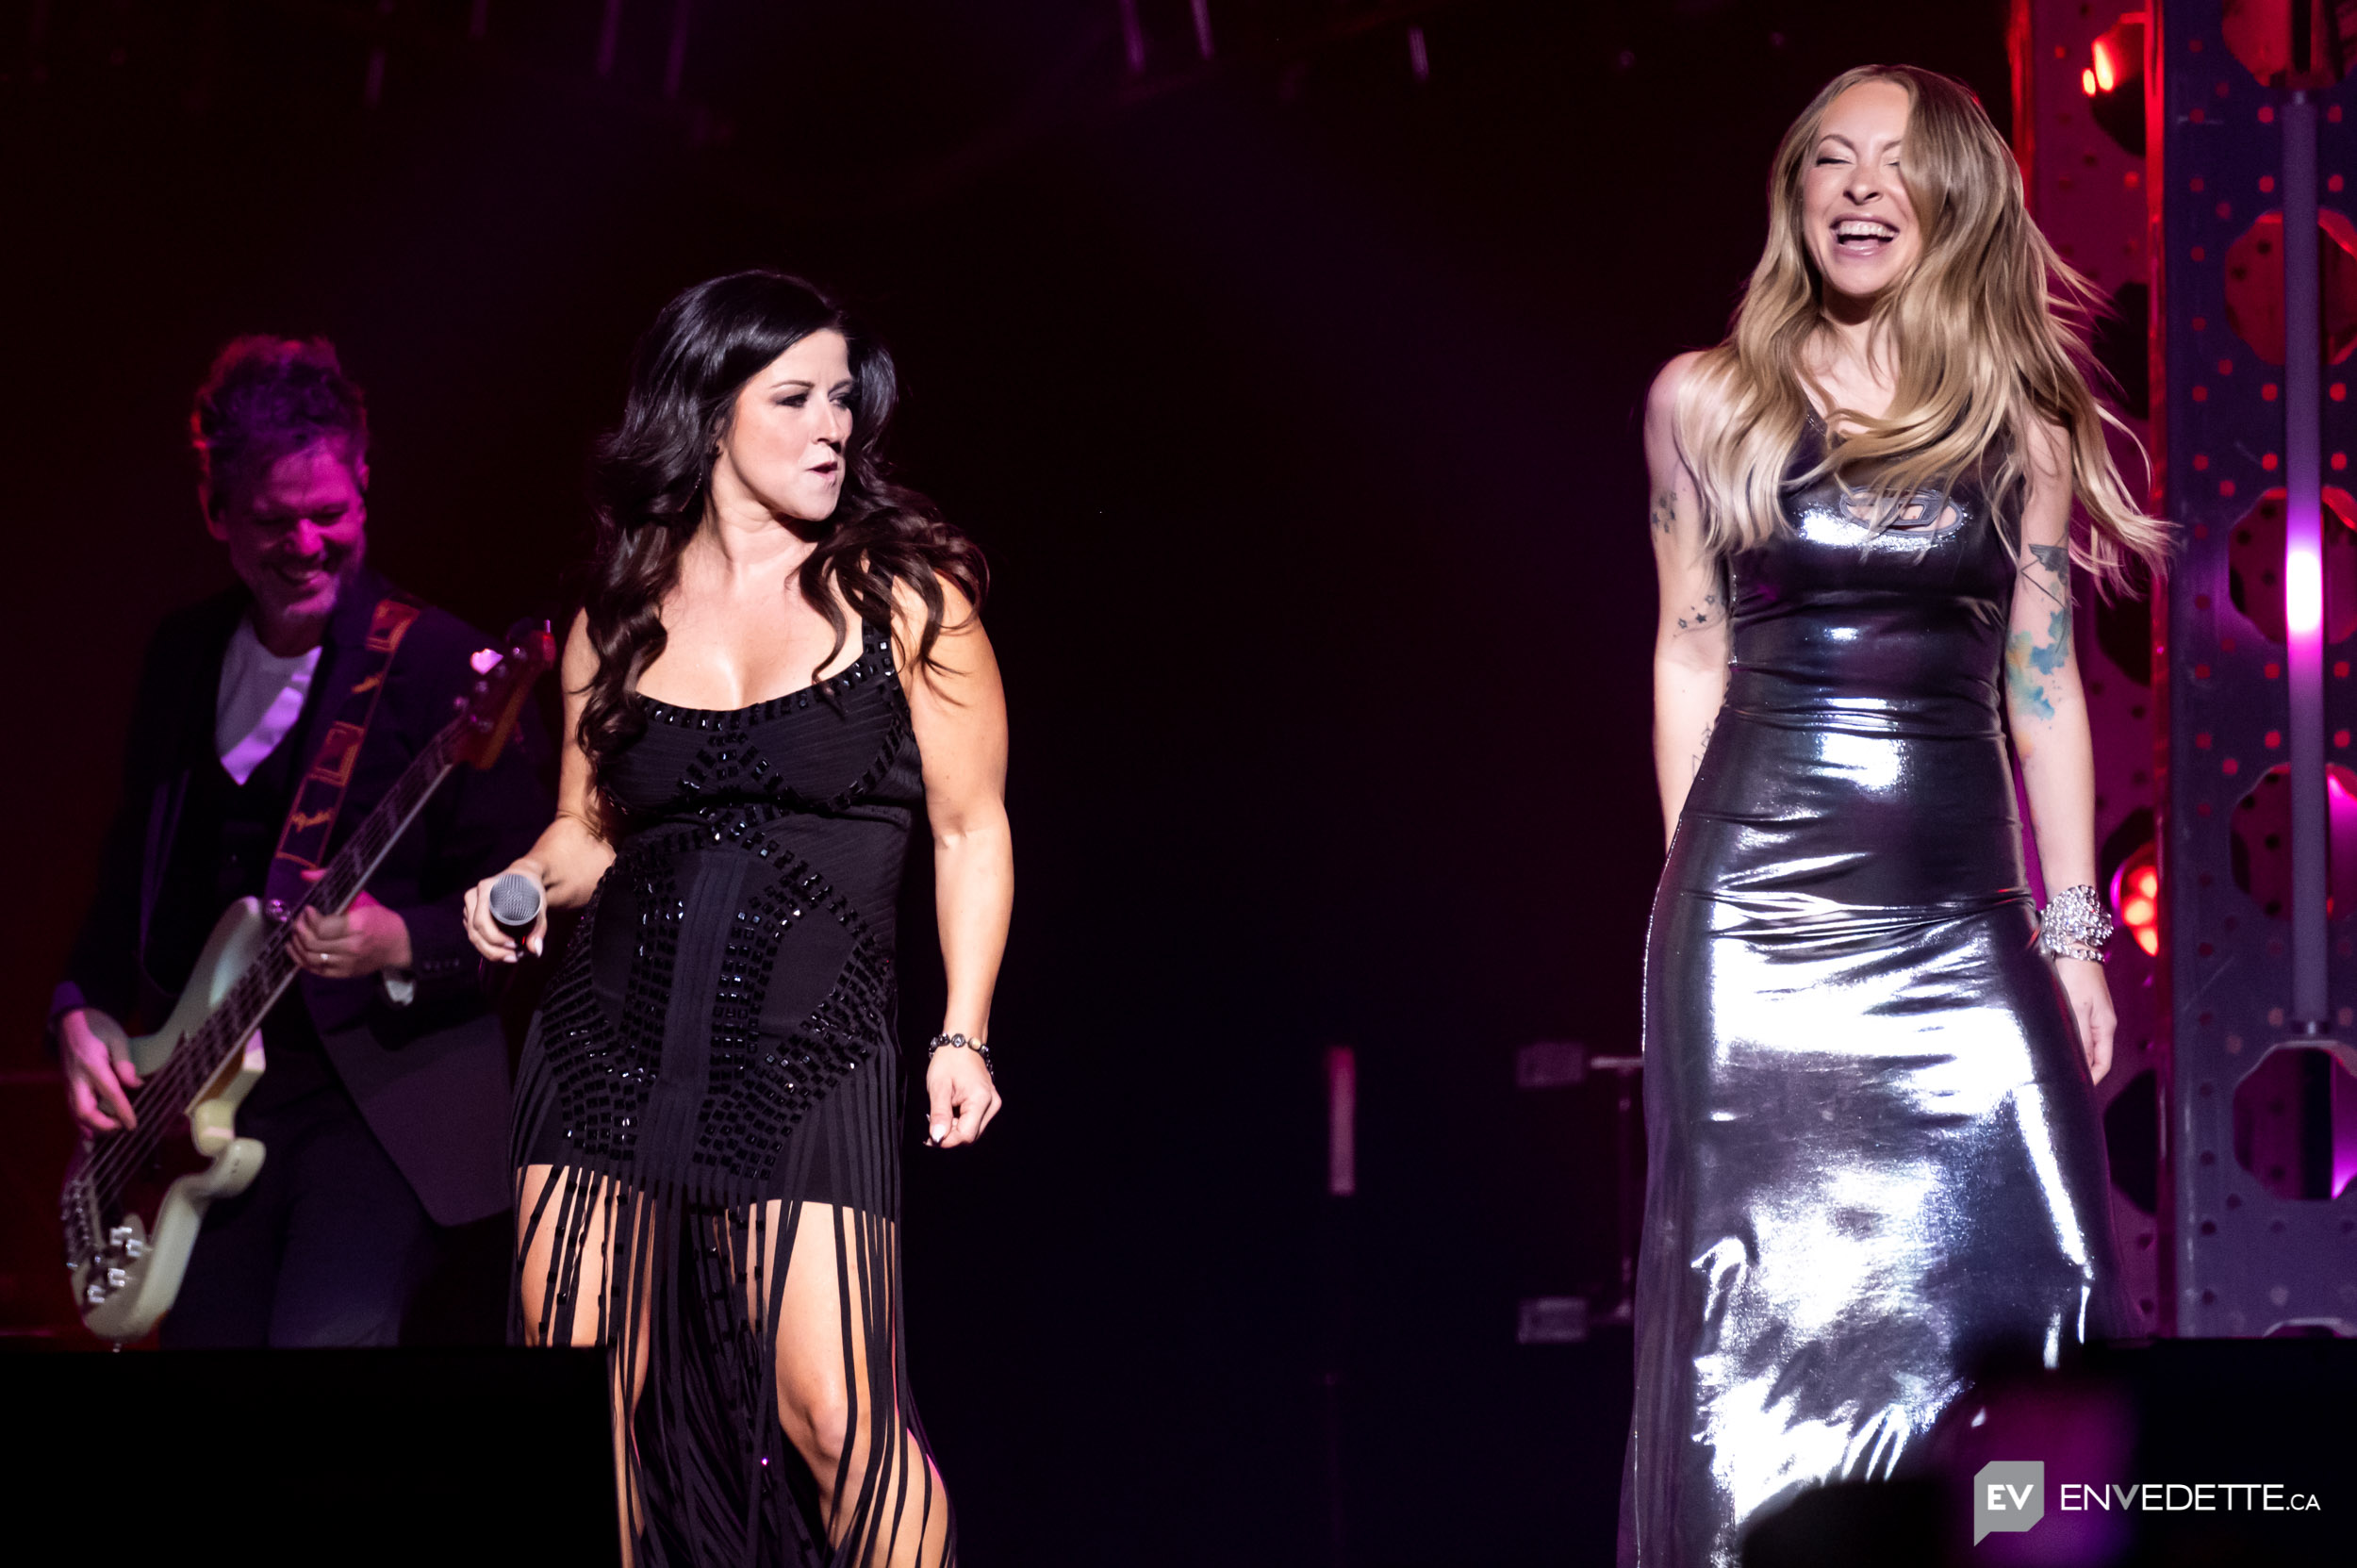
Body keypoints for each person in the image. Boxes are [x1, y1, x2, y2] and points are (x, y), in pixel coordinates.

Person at [1627, 65, 2168, 1566]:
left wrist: (2075, 933)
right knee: (1757, 1319)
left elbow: (2043, 686)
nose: (1862, 186)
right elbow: (1689, 650)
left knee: (2029, 1292)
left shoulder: (2023, 426)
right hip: (1753, 929)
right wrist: (1693, 915)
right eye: (1833, 160)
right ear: (1796, 194)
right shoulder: (1704, 402)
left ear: (1954, 203)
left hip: (1960, 931)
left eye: (1898, 162)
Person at [462, 271, 1009, 1568]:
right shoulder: (615, 613)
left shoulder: (909, 599)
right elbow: (587, 826)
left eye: (843, 400)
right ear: (710, 412)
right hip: (602, 1045)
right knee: (579, 1411)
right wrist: (522, 879)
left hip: (809, 1050)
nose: (834, 428)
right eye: (796, 399)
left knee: (838, 1420)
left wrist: (964, 1032)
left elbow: (970, 828)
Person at [53, 336, 551, 1347]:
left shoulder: (440, 664)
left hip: (383, 1111)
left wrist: (401, 941)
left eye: (332, 513)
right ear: (216, 512)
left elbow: (534, 896)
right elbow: (127, 878)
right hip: (205, 1117)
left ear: (365, 484)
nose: (309, 544)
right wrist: (79, 1011)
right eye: (275, 520)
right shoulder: (182, 655)